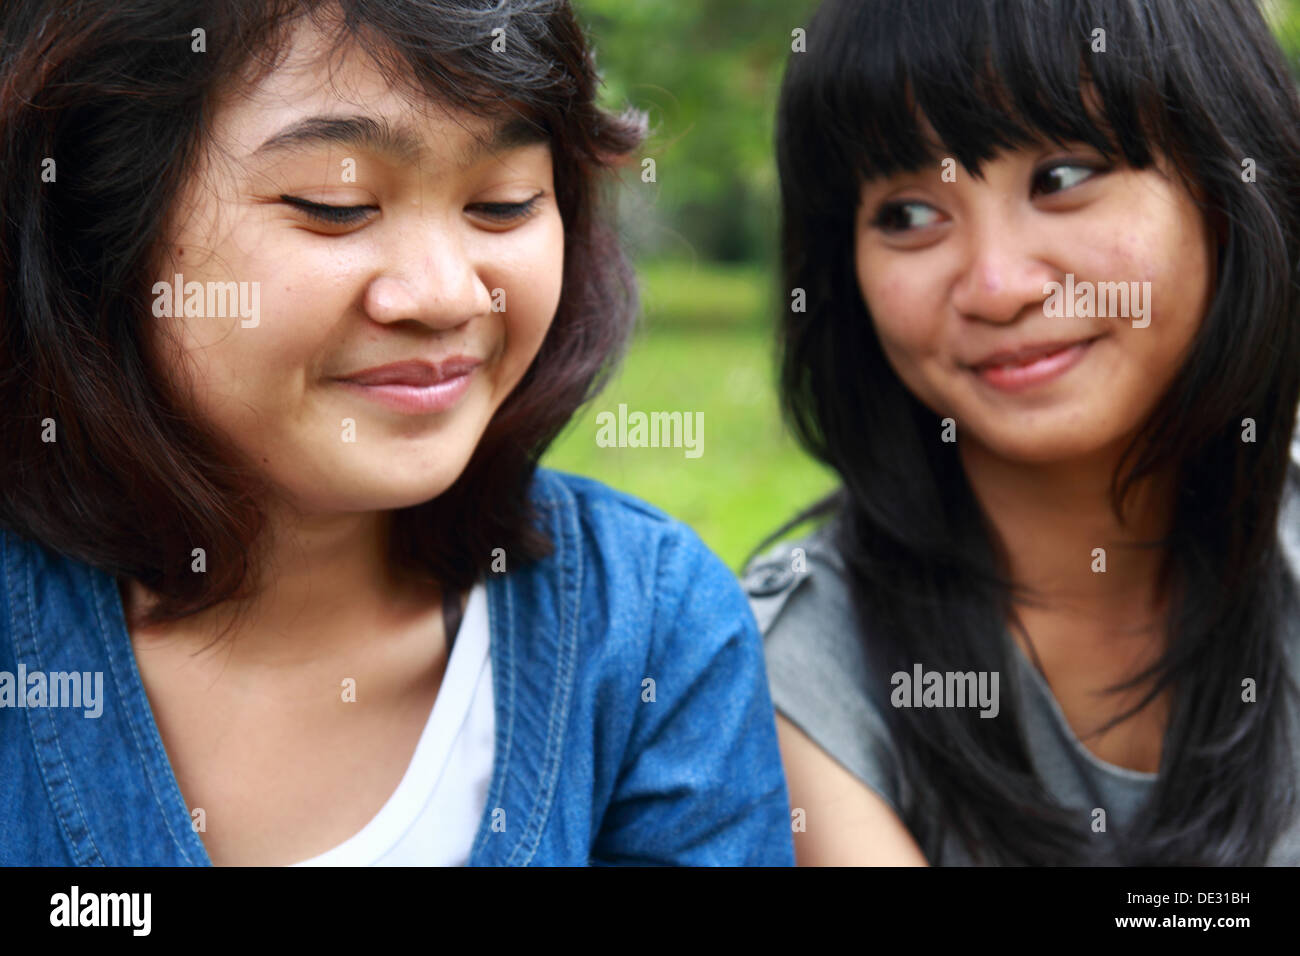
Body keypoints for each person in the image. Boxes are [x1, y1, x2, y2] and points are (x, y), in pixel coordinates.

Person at [0, 0, 793, 867]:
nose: (449, 294)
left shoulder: (649, 633)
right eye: (337, 205)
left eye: (502, 204)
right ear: (102, 229)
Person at [744, 0, 1300, 865]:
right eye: (909, 214)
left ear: (1230, 180)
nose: (997, 286)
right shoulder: (793, 675)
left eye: (1063, 177)